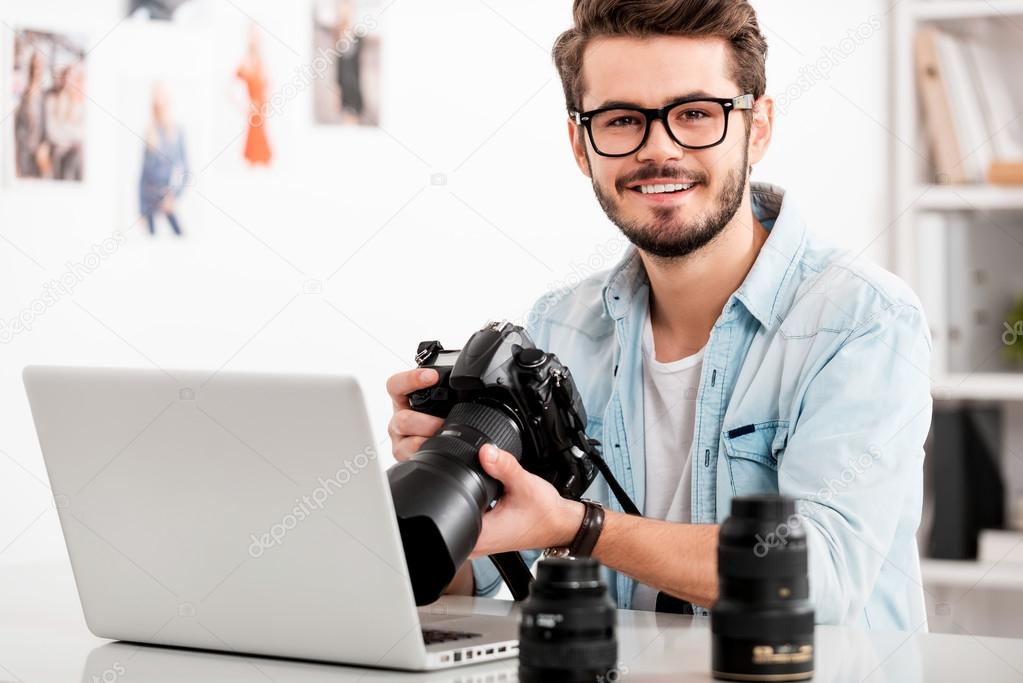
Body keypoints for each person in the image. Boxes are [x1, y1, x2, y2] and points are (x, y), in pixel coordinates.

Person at [386, 0, 932, 631]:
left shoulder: (863, 321)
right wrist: (444, 484)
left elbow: (818, 577)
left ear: (758, 127)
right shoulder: (563, 325)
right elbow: (483, 573)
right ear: (579, 143)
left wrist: (581, 526)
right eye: (621, 120)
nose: (659, 150)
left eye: (696, 113)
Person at [139, 83, 188, 236]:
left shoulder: (178, 132)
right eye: (156, 102)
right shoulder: (149, 132)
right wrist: (140, 209)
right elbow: (142, 175)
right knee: (151, 243)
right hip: (148, 199)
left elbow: (186, 171)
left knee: (181, 238)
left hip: (167, 196)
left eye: (163, 101)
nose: (160, 106)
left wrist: (174, 196)